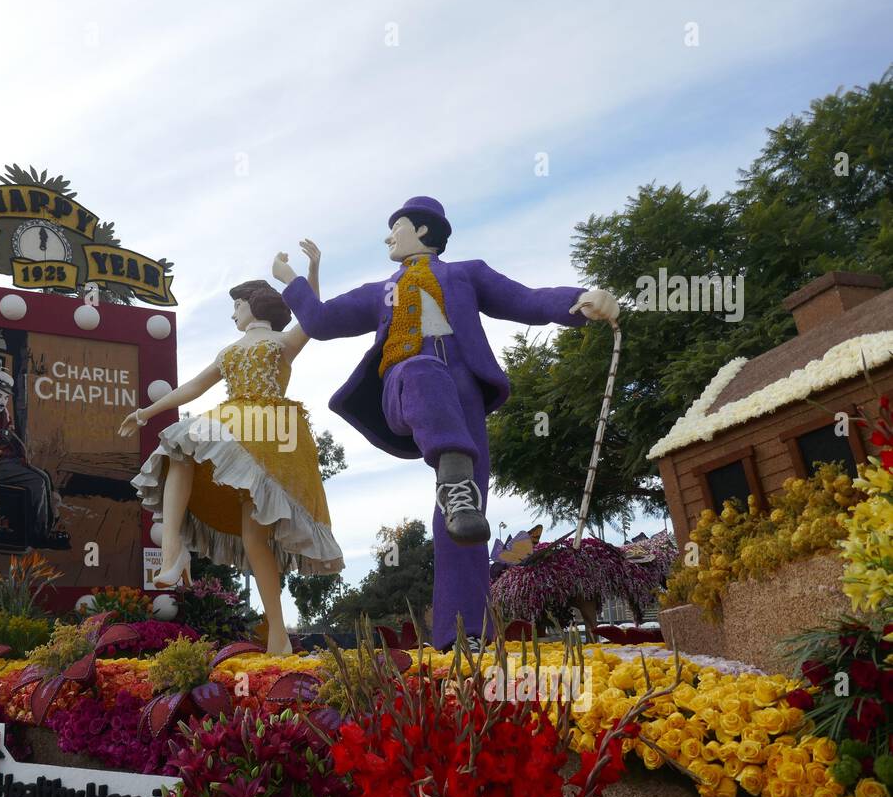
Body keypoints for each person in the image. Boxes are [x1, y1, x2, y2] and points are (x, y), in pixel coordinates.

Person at [272, 197, 619, 647]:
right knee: (423, 369)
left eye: (395, 228)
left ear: (422, 231)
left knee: (465, 513)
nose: (387, 237)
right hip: (405, 387)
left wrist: (579, 300)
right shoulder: (381, 291)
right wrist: (291, 280)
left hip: (464, 398)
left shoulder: (466, 274)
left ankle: (464, 634)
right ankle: (453, 476)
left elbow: (525, 299)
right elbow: (318, 321)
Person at [121, 249, 344, 655]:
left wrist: (311, 272)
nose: (233, 314)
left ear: (253, 305)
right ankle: (174, 550)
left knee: (253, 536)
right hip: (236, 425)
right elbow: (193, 386)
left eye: (237, 305)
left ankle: (277, 632)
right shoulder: (228, 351)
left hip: (271, 436)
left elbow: (313, 316)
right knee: (180, 449)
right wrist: (146, 411)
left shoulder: (282, 341)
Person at [0, 369, 68, 549]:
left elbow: (9, 438)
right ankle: (37, 536)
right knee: (36, 481)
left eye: (6, 397)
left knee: (44, 476)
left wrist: (14, 447)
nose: (3, 401)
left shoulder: (3, 413)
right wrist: (4, 439)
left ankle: (44, 529)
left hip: (1, 461)